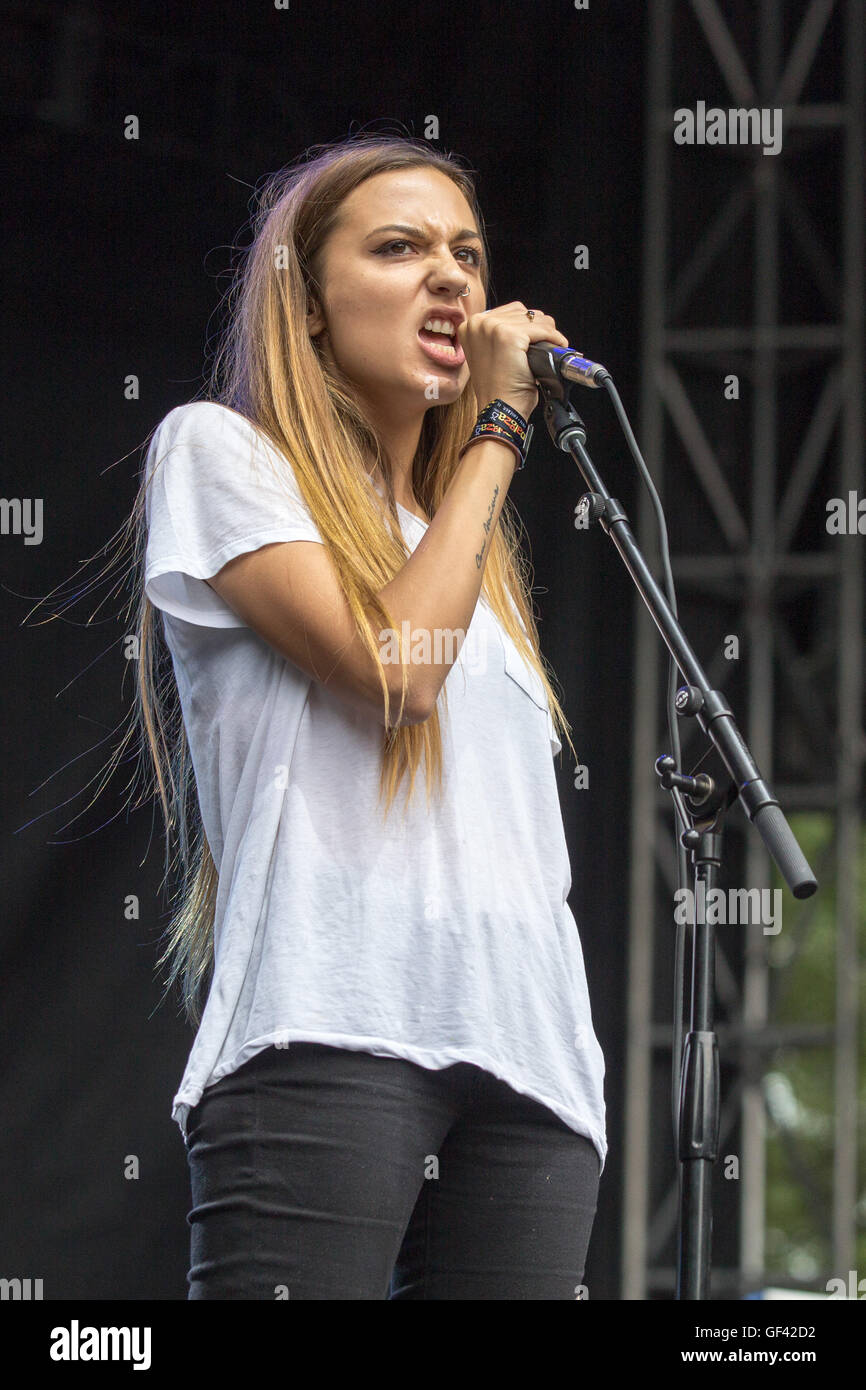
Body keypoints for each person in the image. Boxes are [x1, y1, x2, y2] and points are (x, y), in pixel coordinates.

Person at [139, 133, 607, 1299]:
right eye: (398, 248)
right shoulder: (221, 453)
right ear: (302, 304)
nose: (451, 276)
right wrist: (498, 432)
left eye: (465, 252)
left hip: (532, 1054)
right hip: (332, 1016)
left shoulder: (474, 560)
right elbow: (394, 671)